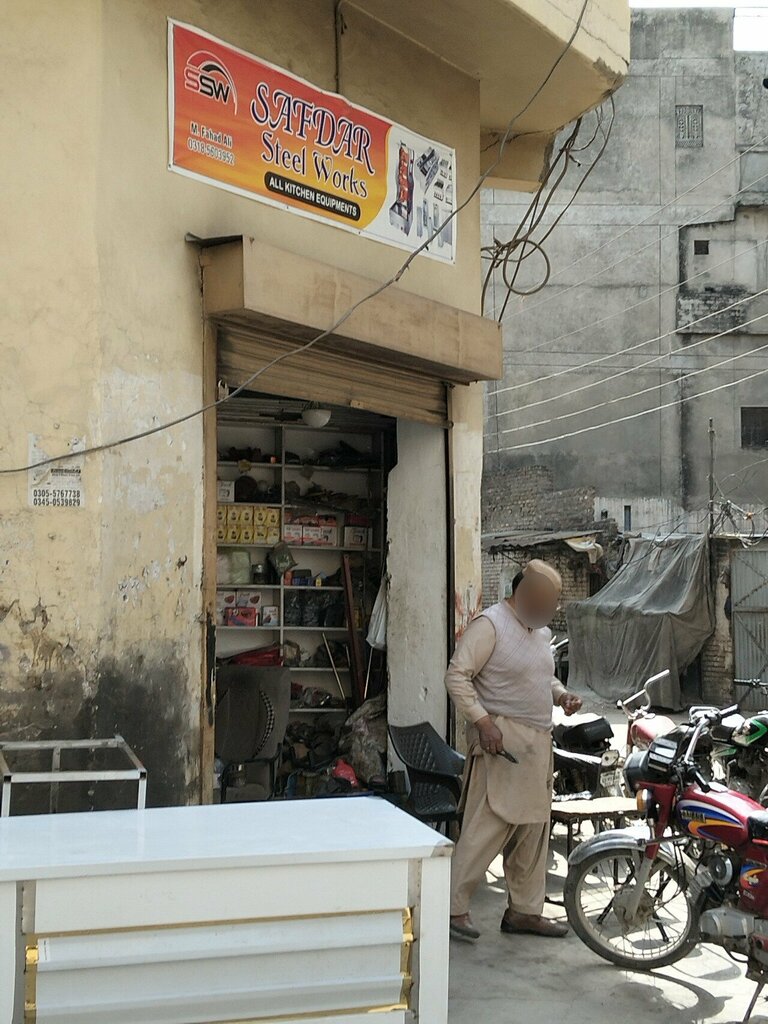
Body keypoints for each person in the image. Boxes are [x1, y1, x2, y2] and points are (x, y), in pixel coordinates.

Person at [445, 559, 582, 942]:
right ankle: (451, 908)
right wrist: (483, 722)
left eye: (551, 603)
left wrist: (561, 695)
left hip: (537, 746)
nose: (546, 608)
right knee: (485, 830)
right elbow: (457, 676)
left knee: (532, 833)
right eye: (541, 600)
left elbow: (541, 677)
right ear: (521, 592)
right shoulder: (491, 625)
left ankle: (524, 912)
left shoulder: (539, 633)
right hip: (502, 742)